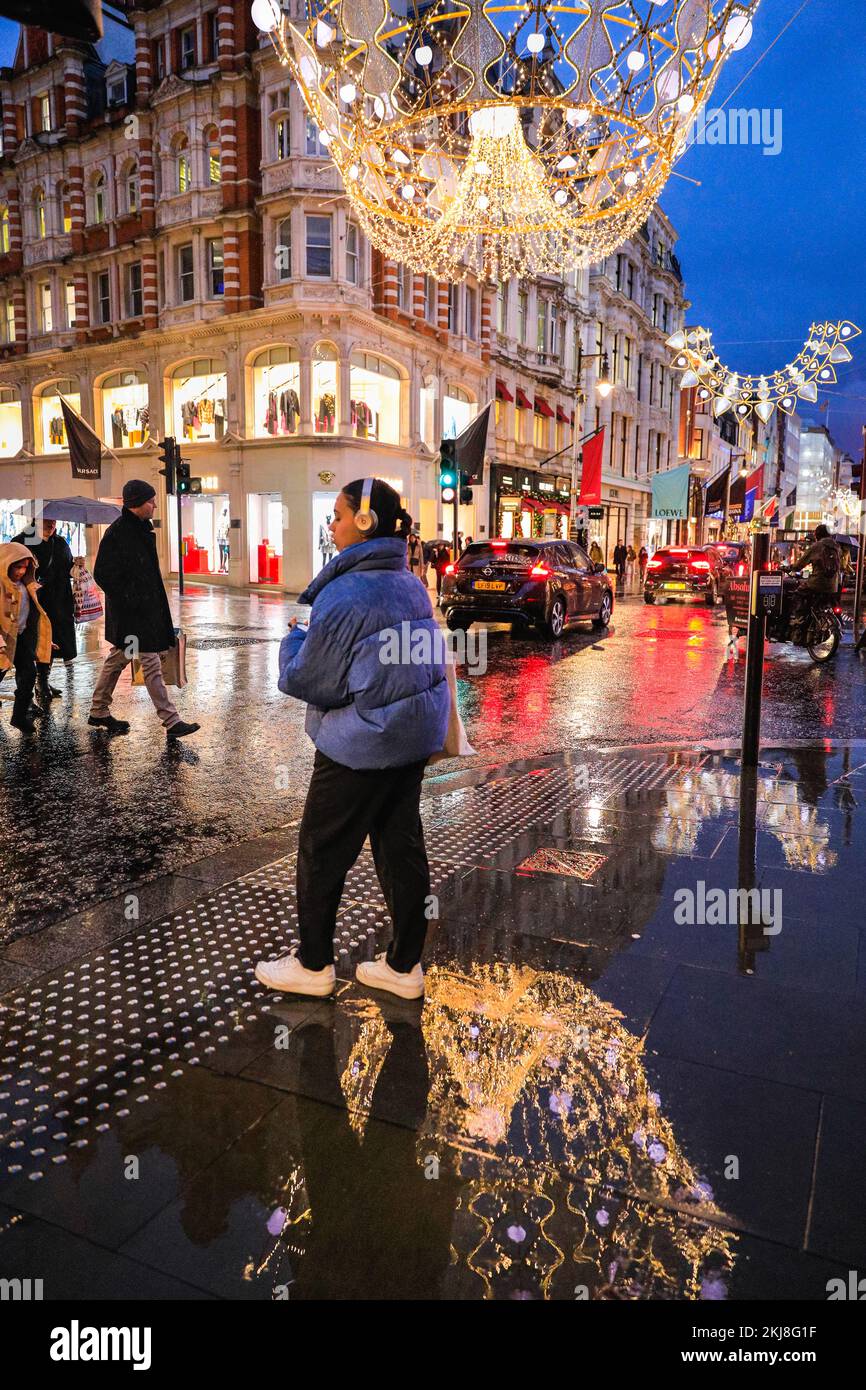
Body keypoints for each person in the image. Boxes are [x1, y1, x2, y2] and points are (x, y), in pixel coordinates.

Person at [256, 478, 450, 1001]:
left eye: (338, 515)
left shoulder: (344, 594)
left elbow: (309, 680)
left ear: (363, 523)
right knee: (400, 847)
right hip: (411, 740)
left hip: (360, 747)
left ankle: (314, 964)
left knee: (321, 850)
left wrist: (294, 637)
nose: (332, 523)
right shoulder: (409, 582)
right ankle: (403, 965)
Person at [88, 480, 200, 739]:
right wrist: (131, 599)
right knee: (150, 664)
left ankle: (98, 709)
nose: (155, 504)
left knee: (118, 659)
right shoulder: (118, 532)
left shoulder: (141, 529)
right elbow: (103, 574)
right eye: (151, 501)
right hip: (132, 616)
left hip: (142, 613)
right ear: (137, 503)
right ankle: (172, 721)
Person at [12, 518, 76, 708]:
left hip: (58, 602)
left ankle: (43, 681)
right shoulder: (22, 541)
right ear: (36, 521)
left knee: (51, 643)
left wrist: (76, 567)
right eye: (46, 521)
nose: (51, 525)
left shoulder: (61, 543)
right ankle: (28, 693)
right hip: (34, 602)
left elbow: (67, 568)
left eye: (53, 521)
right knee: (30, 647)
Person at [0, 542, 53, 734]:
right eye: (17, 566)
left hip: (20, 637)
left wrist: (43, 639)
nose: (21, 571)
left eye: (25, 567)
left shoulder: (27, 586)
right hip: (4, 640)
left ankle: (19, 716)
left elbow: (34, 615)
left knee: (29, 673)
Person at [787, 524, 841, 639]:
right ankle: (813, 619)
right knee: (816, 603)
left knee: (798, 594)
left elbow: (801, 563)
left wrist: (791, 567)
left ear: (817, 535)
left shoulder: (817, 546)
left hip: (817, 583)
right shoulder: (836, 547)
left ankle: (799, 620)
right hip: (833, 585)